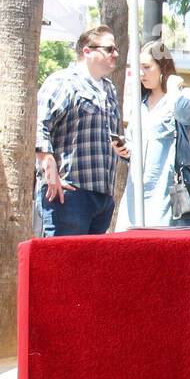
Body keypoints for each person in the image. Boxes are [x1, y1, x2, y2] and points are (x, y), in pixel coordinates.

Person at [34, 26, 128, 236]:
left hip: (103, 197)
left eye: (116, 48)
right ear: (87, 51)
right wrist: (47, 162)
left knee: (89, 268)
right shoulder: (63, 81)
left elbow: (111, 135)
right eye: (109, 49)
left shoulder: (109, 88)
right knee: (63, 265)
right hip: (69, 194)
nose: (116, 54)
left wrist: (124, 148)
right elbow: (38, 123)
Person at [117, 40, 190, 230]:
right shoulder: (141, 104)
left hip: (167, 191)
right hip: (136, 191)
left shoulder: (183, 94)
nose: (141, 73)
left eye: (146, 67)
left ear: (163, 67)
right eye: (138, 68)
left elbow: (183, 114)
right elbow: (134, 146)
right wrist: (123, 150)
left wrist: (172, 88)